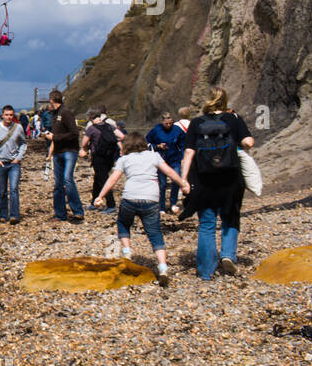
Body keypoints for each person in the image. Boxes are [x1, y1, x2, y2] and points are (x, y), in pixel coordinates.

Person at [94, 134, 190, 287]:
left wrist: (101, 196)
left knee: (123, 223)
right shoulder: (154, 156)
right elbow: (170, 172)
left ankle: (127, 253)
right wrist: (183, 184)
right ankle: (163, 267)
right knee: (155, 233)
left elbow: (113, 179)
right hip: (151, 199)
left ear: (127, 146)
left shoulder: (124, 160)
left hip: (130, 198)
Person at [179, 87, 254, 280]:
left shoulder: (196, 122)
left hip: (204, 179)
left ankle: (206, 271)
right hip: (231, 177)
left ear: (207, 101)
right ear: (225, 100)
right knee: (230, 217)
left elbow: (188, 153)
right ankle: (228, 255)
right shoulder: (233, 119)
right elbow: (249, 142)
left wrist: (183, 180)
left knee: (206, 224)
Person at [44, 89, 84, 222]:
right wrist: (51, 149)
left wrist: (55, 137)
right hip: (58, 152)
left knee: (67, 179)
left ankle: (78, 211)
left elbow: (74, 133)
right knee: (58, 184)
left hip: (69, 150)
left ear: (51, 101)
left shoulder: (66, 113)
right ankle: (60, 214)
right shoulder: (54, 114)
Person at [0, 105, 27, 223]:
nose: (9, 117)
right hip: (1, 163)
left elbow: (23, 143)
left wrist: (19, 158)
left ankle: (14, 215)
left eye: (11, 115)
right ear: (2, 115)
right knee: (2, 191)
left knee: (14, 189)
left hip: (14, 163)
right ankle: (2, 215)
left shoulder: (18, 128)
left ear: (13, 115)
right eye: (6, 115)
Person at [80, 106, 124, 212]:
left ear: (90, 117)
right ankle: (94, 203)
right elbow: (122, 136)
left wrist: (86, 148)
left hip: (98, 157)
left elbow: (84, 143)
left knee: (103, 180)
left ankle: (111, 205)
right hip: (110, 156)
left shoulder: (91, 128)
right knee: (98, 179)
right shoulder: (109, 126)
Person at [145, 111, 187, 214]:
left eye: (170, 123)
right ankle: (162, 206)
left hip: (174, 159)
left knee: (176, 180)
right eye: (166, 123)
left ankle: (173, 203)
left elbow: (183, 144)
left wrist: (183, 157)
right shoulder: (156, 130)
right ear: (162, 122)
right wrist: (157, 146)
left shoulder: (177, 130)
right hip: (161, 160)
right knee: (162, 184)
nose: (168, 125)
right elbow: (147, 142)